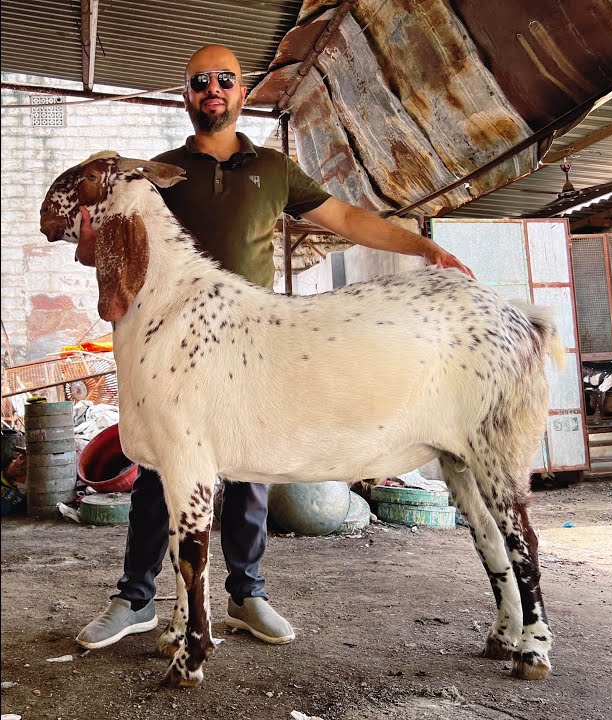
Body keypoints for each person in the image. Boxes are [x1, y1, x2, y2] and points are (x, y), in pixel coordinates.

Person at [75, 45, 473, 650]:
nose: (213, 88)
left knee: (251, 475)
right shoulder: (159, 173)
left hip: (254, 346)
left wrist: (421, 248)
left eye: (226, 80)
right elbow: (117, 241)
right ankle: (136, 598)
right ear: (187, 95)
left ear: (242, 93)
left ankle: (245, 592)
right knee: (159, 472)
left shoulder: (275, 169)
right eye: (200, 80)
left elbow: (346, 219)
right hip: (175, 353)